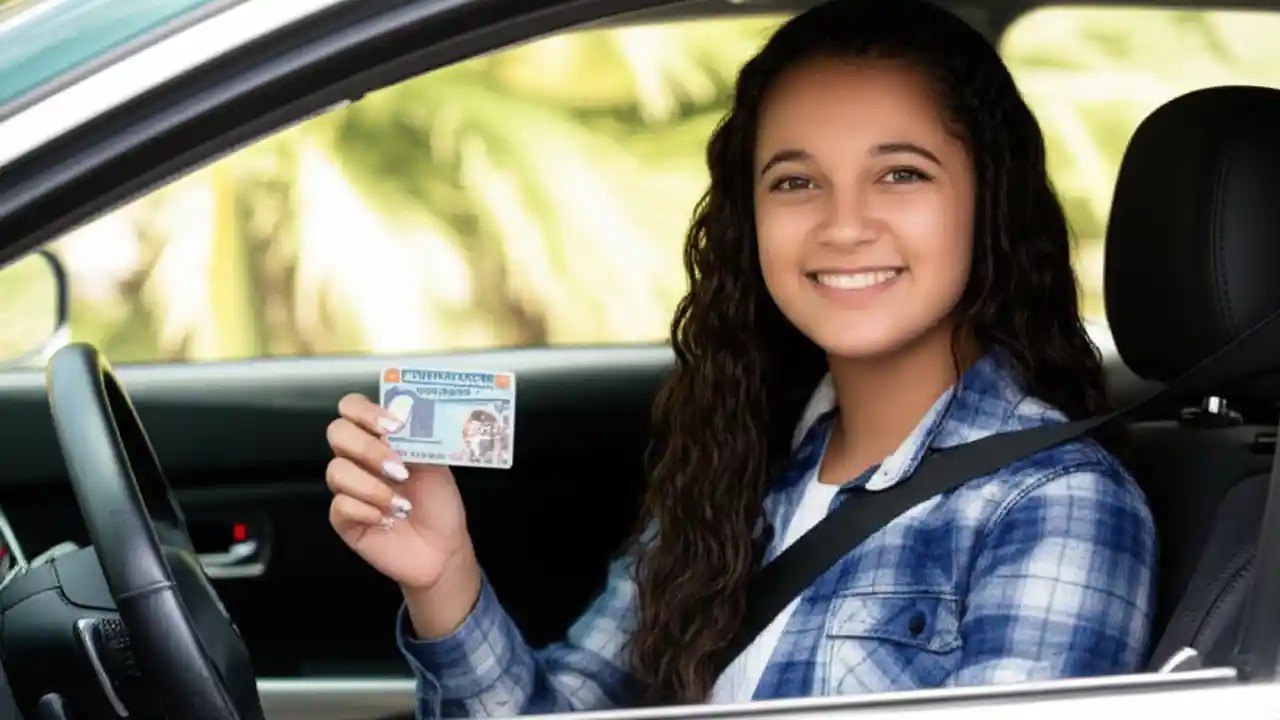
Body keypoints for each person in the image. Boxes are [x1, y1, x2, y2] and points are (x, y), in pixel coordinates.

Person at [322, 0, 1157, 715]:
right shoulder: (734, 467)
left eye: (901, 174)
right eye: (796, 182)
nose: (844, 225)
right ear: (748, 217)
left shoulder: (1054, 503)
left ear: (988, 203)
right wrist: (443, 579)